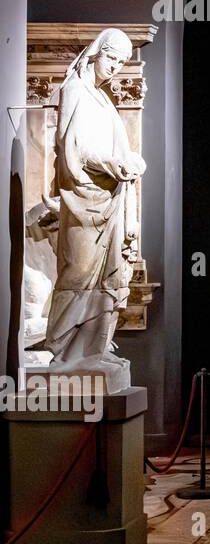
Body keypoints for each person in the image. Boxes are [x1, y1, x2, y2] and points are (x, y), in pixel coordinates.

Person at [31, 29, 144, 382]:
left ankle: (93, 351)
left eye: (121, 63)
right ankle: (65, 354)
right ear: (96, 53)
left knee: (108, 279)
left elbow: (110, 148)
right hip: (84, 203)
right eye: (111, 58)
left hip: (108, 202)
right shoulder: (75, 90)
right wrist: (118, 165)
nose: (113, 68)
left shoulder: (103, 99)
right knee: (78, 274)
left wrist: (129, 161)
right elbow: (75, 149)